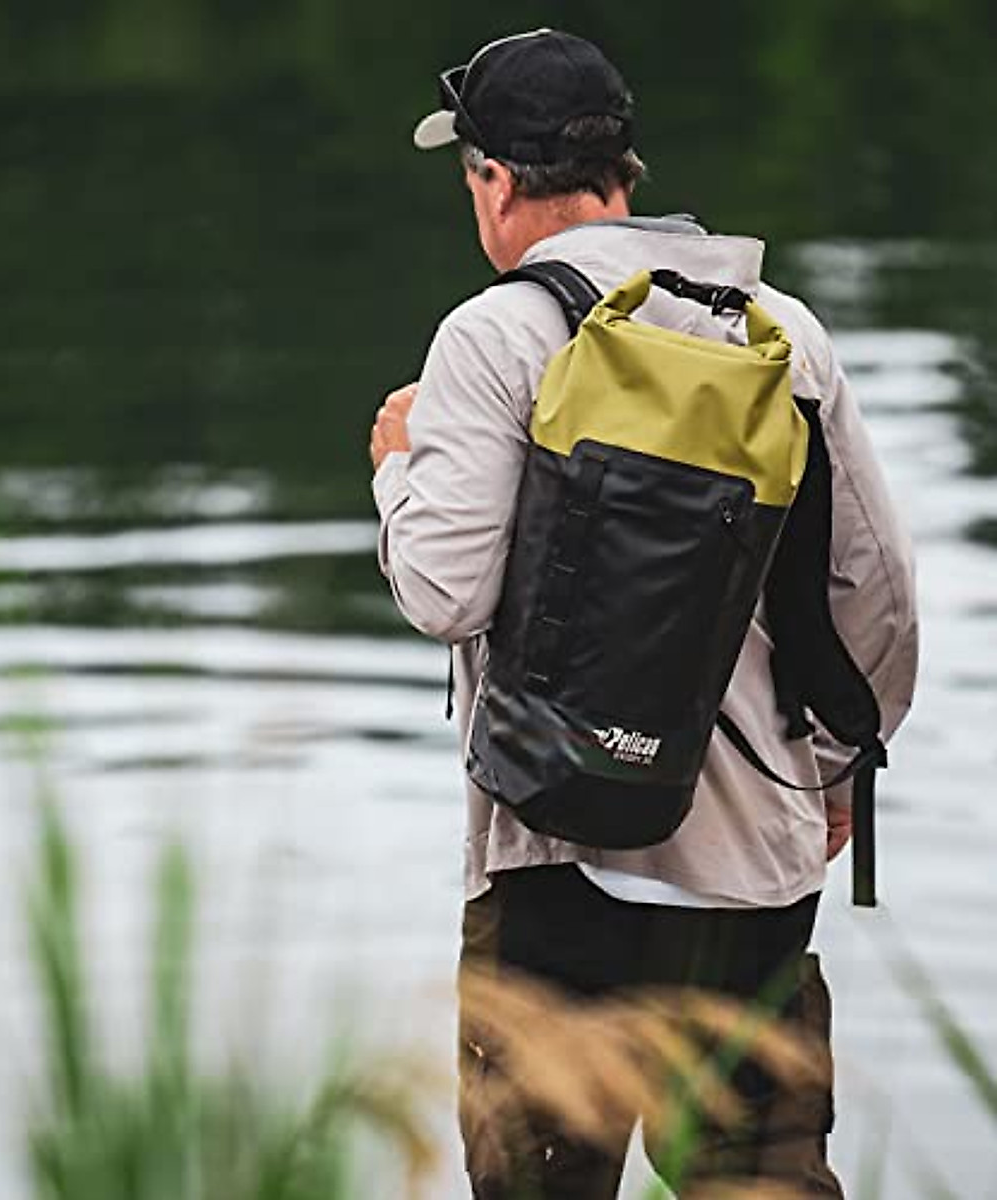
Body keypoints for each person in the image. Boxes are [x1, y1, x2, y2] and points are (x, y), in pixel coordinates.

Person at [369, 28, 918, 1200]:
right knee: (758, 1186)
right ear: (624, 170)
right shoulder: (782, 334)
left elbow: (442, 589)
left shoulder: (494, 335)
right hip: (752, 875)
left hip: (557, 861)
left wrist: (396, 465)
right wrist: (828, 778)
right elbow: (874, 595)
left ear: (497, 182)